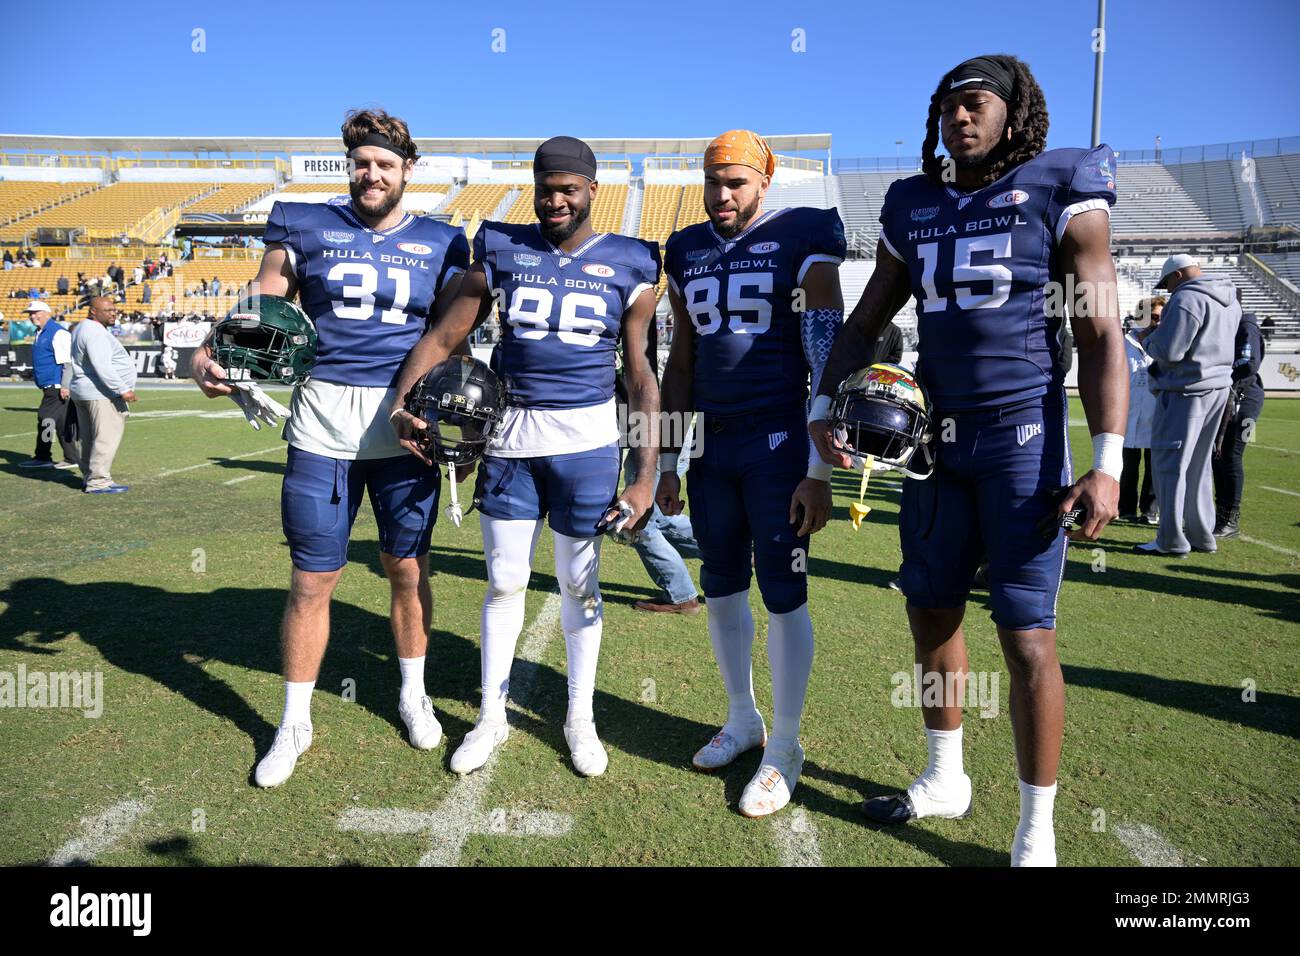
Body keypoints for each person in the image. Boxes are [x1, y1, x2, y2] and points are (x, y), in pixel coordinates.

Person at [812, 54, 1127, 865]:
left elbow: (1098, 333)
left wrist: (1111, 460)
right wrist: (824, 404)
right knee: (930, 610)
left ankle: (1037, 828)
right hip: (933, 442)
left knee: (1027, 639)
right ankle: (946, 775)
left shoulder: (1062, 187)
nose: (960, 117)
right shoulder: (914, 204)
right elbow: (862, 323)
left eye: (977, 103)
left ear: (1015, 113)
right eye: (949, 106)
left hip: (1024, 438)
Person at [190, 109, 471, 789]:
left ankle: (412, 692)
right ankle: (295, 720)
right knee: (313, 580)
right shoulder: (301, 223)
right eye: (361, 163)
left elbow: (450, 332)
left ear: (409, 170)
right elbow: (266, 303)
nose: (370, 174)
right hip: (322, 418)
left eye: (383, 164)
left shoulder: (445, 241)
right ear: (350, 166)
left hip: (403, 420)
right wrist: (219, 349)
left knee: (407, 571)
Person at [392, 136, 662, 780]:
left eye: (569, 188)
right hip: (511, 439)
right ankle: (490, 714)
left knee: (579, 583)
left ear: (594, 189)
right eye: (546, 188)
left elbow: (642, 371)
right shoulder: (502, 247)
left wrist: (648, 473)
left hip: (589, 444)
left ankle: (579, 718)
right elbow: (446, 333)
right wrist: (405, 400)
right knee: (506, 580)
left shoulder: (633, 259)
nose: (556, 200)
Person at [657, 129, 847, 818]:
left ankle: (787, 744)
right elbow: (680, 359)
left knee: (784, 591)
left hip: (778, 442)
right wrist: (669, 456)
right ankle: (743, 718)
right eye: (713, 181)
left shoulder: (803, 234)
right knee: (722, 586)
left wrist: (819, 467)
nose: (722, 193)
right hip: (712, 447)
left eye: (735, 181)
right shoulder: (684, 249)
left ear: (763, 183)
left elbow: (827, 346)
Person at [1138, 254, 1238, 555]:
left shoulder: (1186, 299)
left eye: (1168, 281)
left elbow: (1170, 351)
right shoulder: (1231, 298)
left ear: (1178, 275)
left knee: (1170, 466)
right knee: (1199, 465)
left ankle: (1170, 540)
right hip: (1218, 388)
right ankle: (1202, 535)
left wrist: (1148, 339)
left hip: (1186, 391)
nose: (1168, 289)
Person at [69, 296, 138, 493]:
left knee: (90, 438)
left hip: (85, 390)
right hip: (100, 393)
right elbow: (102, 365)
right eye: (108, 310)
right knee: (106, 438)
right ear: (93, 311)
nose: (113, 313)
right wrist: (122, 388)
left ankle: (89, 476)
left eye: (114, 309)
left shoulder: (82, 327)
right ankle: (98, 481)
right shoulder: (95, 332)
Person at [1212, 289, 1265, 538]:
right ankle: (1220, 515)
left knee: (1231, 456)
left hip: (1244, 400)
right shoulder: (1229, 325)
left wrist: (1217, 372)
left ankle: (1229, 519)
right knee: (1218, 457)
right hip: (1228, 398)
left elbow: (1248, 364)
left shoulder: (1245, 325)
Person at [18, 300, 80, 471]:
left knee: (45, 418)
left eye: (35, 312)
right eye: (30, 313)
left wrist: (65, 385)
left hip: (57, 386)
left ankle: (43, 456)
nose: (32, 316)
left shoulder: (57, 332)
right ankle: (72, 457)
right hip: (50, 385)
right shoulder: (41, 332)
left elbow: (68, 362)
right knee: (60, 423)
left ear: (46, 313)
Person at [1119, 296, 1163, 523]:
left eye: (1161, 318)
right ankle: (1125, 509)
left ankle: (1150, 511)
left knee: (1153, 465)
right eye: (1154, 317)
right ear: (1141, 316)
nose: (1157, 323)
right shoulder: (1122, 343)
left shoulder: (1167, 344)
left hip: (1157, 413)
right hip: (1128, 412)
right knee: (1127, 465)